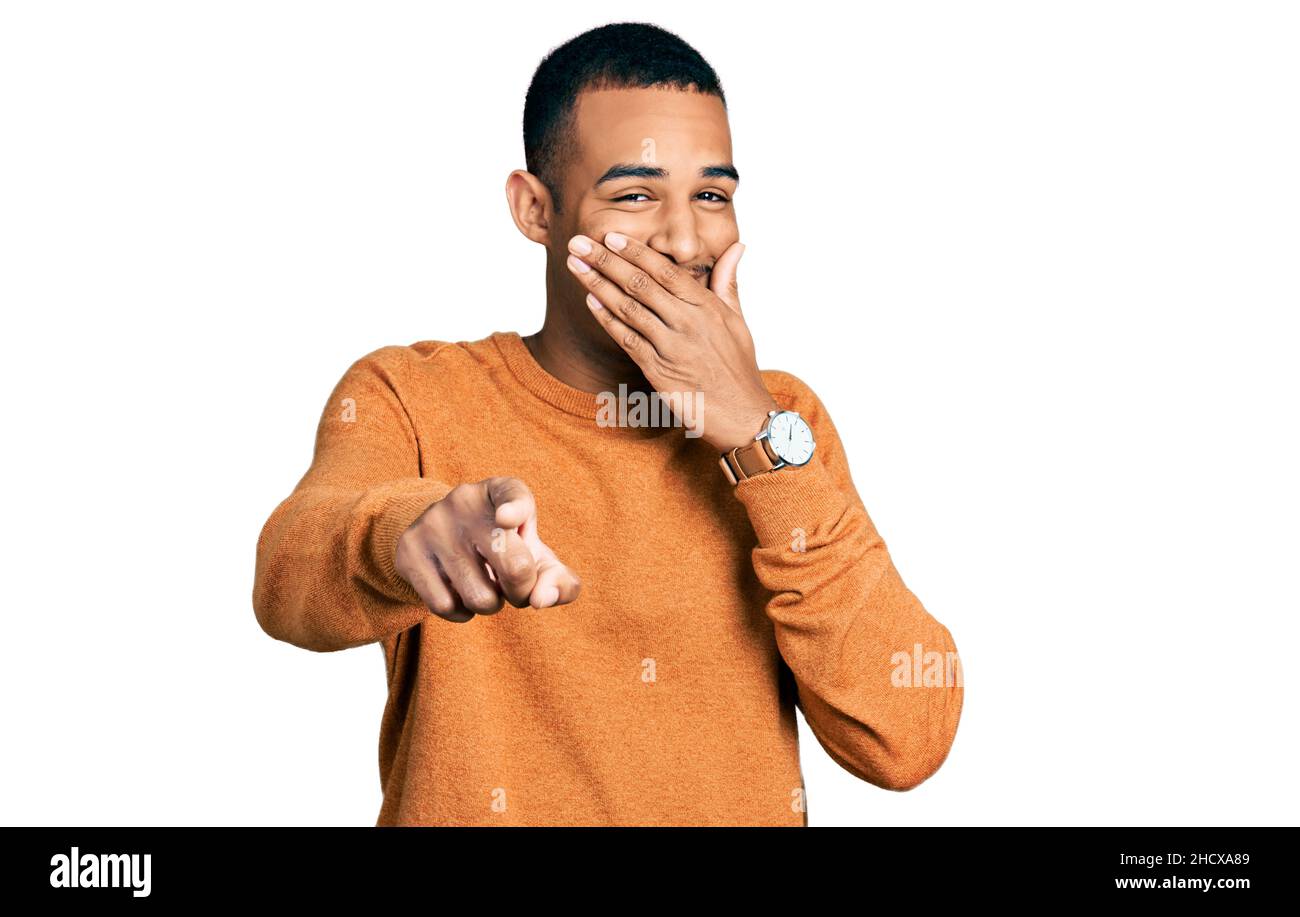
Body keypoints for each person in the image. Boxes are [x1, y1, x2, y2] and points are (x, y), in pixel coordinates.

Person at [252, 21, 964, 827]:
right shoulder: (412, 393)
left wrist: (753, 436)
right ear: (534, 210)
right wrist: (410, 533)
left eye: (712, 195)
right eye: (634, 194)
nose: (687, 238)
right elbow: (287, 575)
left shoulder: (785, 421)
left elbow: (909, 737)